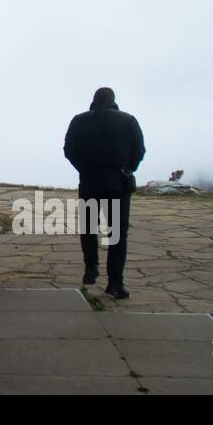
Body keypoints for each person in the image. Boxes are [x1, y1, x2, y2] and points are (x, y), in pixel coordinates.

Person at [63, 87, 145, 299]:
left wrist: (83, 167)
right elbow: (139, 151)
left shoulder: (79, 121)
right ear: (113, 101)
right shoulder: (129, 120)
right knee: (117, 234)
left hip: (89, 182)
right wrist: (128, 168)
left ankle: (91, 269)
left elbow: (68, 150)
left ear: (94, 100)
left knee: (89, 228)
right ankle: (115, 283)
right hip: (118, 185)